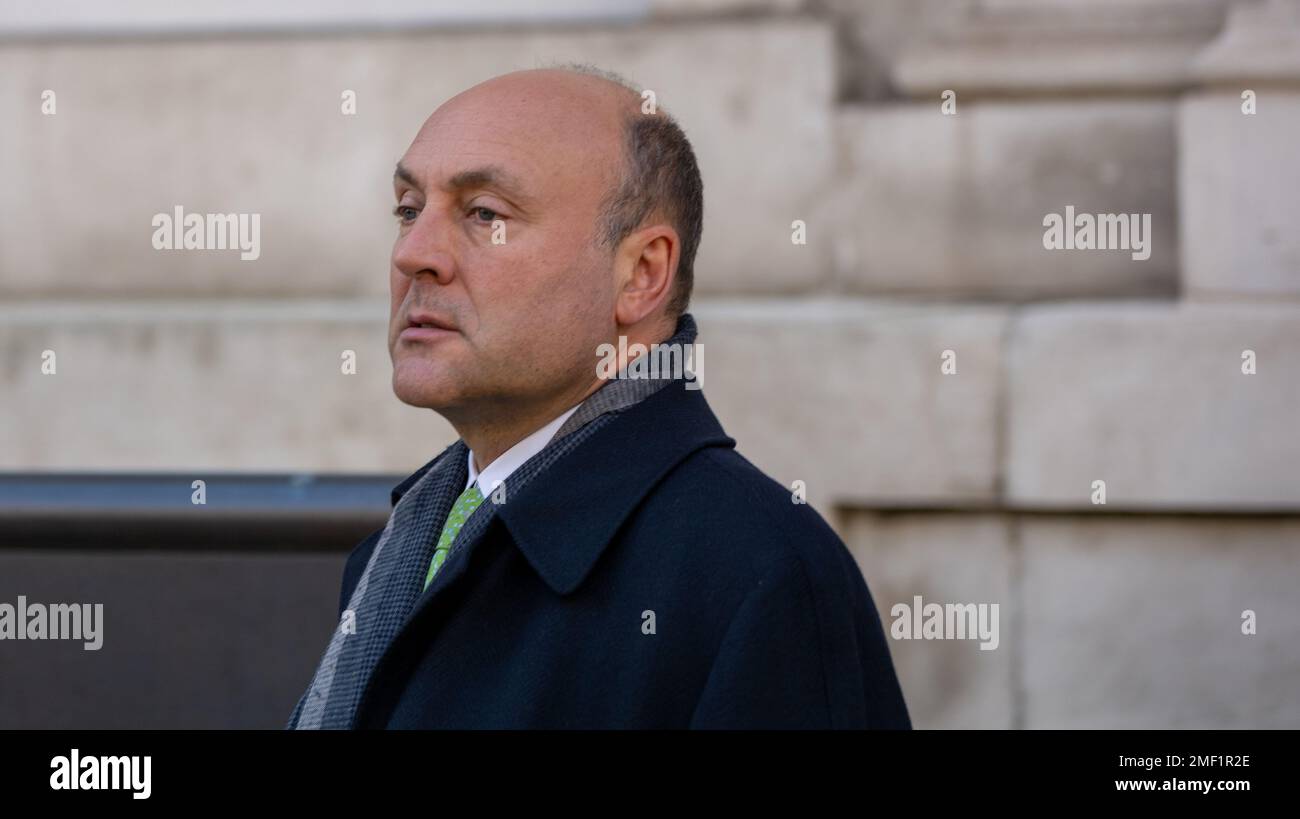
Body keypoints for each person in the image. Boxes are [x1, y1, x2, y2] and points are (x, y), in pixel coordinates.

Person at [288, 65, 910, 729]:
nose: (414, 252)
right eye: (409, 210)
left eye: (484, 215)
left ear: (641, 275)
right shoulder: (410, 541)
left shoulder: (757, 573)